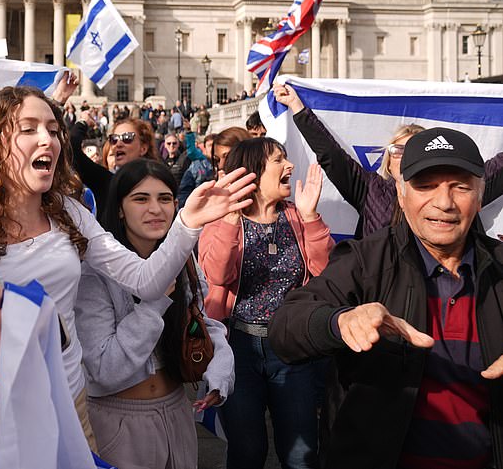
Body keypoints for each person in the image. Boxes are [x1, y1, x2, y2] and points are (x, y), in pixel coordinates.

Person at [0, 86, 257, 449]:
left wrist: (188, 222)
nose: (47, 140)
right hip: (0, 415)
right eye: (28, 129)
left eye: (53, 129)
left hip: (73, 407)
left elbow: (145, 281)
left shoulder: (69, 212)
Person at [270, 127, 503, 469]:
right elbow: (285, 328)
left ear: (480, 197)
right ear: (401, 194)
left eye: (460, 187)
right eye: (426, 186)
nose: (444, 202)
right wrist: (340, 322)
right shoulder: (365, 261)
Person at [76, 159, 234, 469]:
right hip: (118, 426)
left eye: (164, 199)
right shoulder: (94, 271)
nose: (155, 209)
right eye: (140, 199)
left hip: (177, 415)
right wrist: (154, 303)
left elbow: (203, 323)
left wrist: (219, 373)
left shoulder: (184, 261)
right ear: (120, 209)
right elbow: (104, 369)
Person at [198, 137, 335, 469]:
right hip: (237, 346)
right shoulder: (221, 218)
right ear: (253, 172)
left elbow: (325, 274)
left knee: (301, 455)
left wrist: (311, 216)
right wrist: (231, 218)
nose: (289, 166)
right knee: (248, 451)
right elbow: (216, 273)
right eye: (278, 160)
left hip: (291, 346)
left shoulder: (296, 216)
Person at [273, 82, 503, 239]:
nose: (404, 155)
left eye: (413, 149)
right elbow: (331, 154)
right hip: (384, 289)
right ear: (387, 161)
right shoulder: (370, 189)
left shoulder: (464, 187)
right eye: (397, 149)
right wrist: (298, 108)